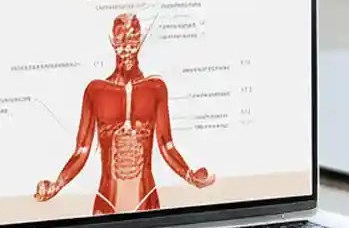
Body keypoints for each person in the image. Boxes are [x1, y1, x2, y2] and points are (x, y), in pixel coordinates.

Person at [34, 13, 215, 214]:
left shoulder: (156, 88)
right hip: (107, 197)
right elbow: (81, 151)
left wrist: (189, 175)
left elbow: (166, 144)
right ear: (112, 41)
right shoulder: (95, 91)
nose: (126, 47)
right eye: (121, 40)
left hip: (145, 196)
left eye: (132, 40)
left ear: (140, 40)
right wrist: (57, 185)